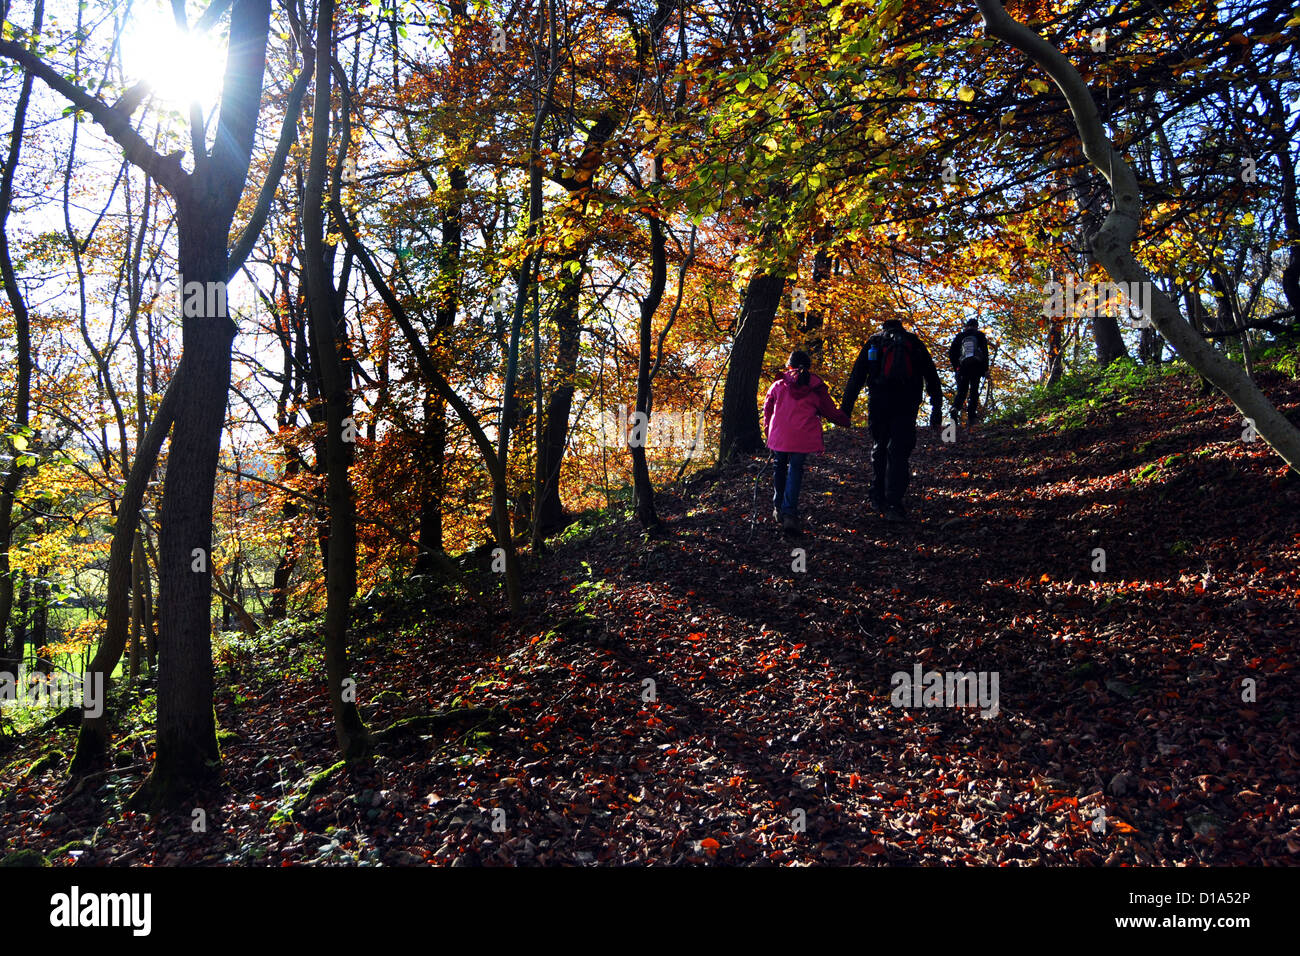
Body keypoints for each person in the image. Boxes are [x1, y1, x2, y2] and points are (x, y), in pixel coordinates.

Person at [841, 316, 944, 521]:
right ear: (901, 327)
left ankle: (877, 496)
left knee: (880, 445)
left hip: (879, 401)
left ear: (884, 326)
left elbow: (856, 377)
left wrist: (845, 410)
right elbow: (932, 376)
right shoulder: (913, 342)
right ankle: (893, 503)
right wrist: (936, 409)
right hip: (907, 402)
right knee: (898, 450)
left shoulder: (874, 342)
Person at [762, 350, 851, 534]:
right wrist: (844, 420)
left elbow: (767, 410)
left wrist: (767, 432)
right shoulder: (816, 388)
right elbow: (830, 411)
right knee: (795, 470)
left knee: (779, 467)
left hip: (779, 436)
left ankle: (778, 507)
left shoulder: (778, 385)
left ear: (789, 365)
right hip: (802, 438)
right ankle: (789, 513)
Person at [948, 318, 990, 426]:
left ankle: (955, 409)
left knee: (962, 391)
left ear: (966, 326)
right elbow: (985, 353)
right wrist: (985, 369)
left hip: (963, 368)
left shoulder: (959, 336)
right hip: (976, 368)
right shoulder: (980, 336)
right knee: (974, 392)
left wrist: (956, 367)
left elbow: (952, 353)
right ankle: (971, 417)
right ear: (976, 326)